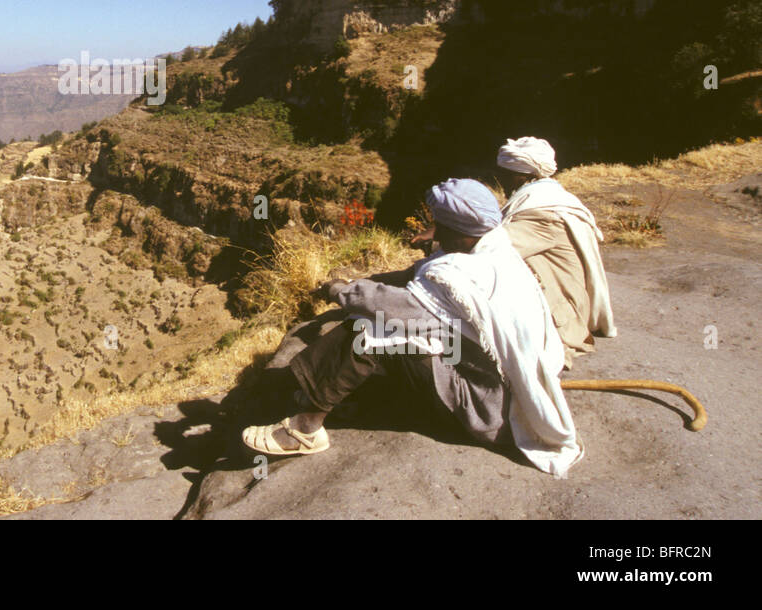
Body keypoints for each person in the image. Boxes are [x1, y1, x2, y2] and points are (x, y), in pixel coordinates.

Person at [242, 178, 583, 477]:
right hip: (493, 382)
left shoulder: (460, 277)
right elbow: (417, 273)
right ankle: (335, 394)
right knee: (399, 333)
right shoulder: (494, 251)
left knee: (369, 333)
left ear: (460, 231)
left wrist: (339, 291)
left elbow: (393, 307)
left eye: (442, 226)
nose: (437, 232)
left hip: (485, 407)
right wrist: (364, 280)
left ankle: (304, 429)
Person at [496, 137, 615, 367]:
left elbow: (491, 246)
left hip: (561, 317)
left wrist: (439, 240)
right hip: (563, 301)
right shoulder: (549, 199)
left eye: (504, 173)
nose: (500, 179)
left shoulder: (543, 213)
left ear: (523, 175)